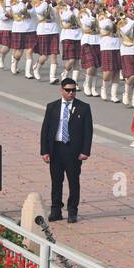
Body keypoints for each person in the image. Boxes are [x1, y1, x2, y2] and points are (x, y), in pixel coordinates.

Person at [39, 77, 92, 224]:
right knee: (56, 181)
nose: (71, 93)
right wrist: (44, 151)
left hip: (73, 151)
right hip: (56, 149)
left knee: (73, 181)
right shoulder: (52, 107)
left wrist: (85, 151)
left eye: (73, 90)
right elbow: (45, 130)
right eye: (68, 90)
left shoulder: (83, 107)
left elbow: (88, 132)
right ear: (61, 90)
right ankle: (56, 210)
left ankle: (72, 210)